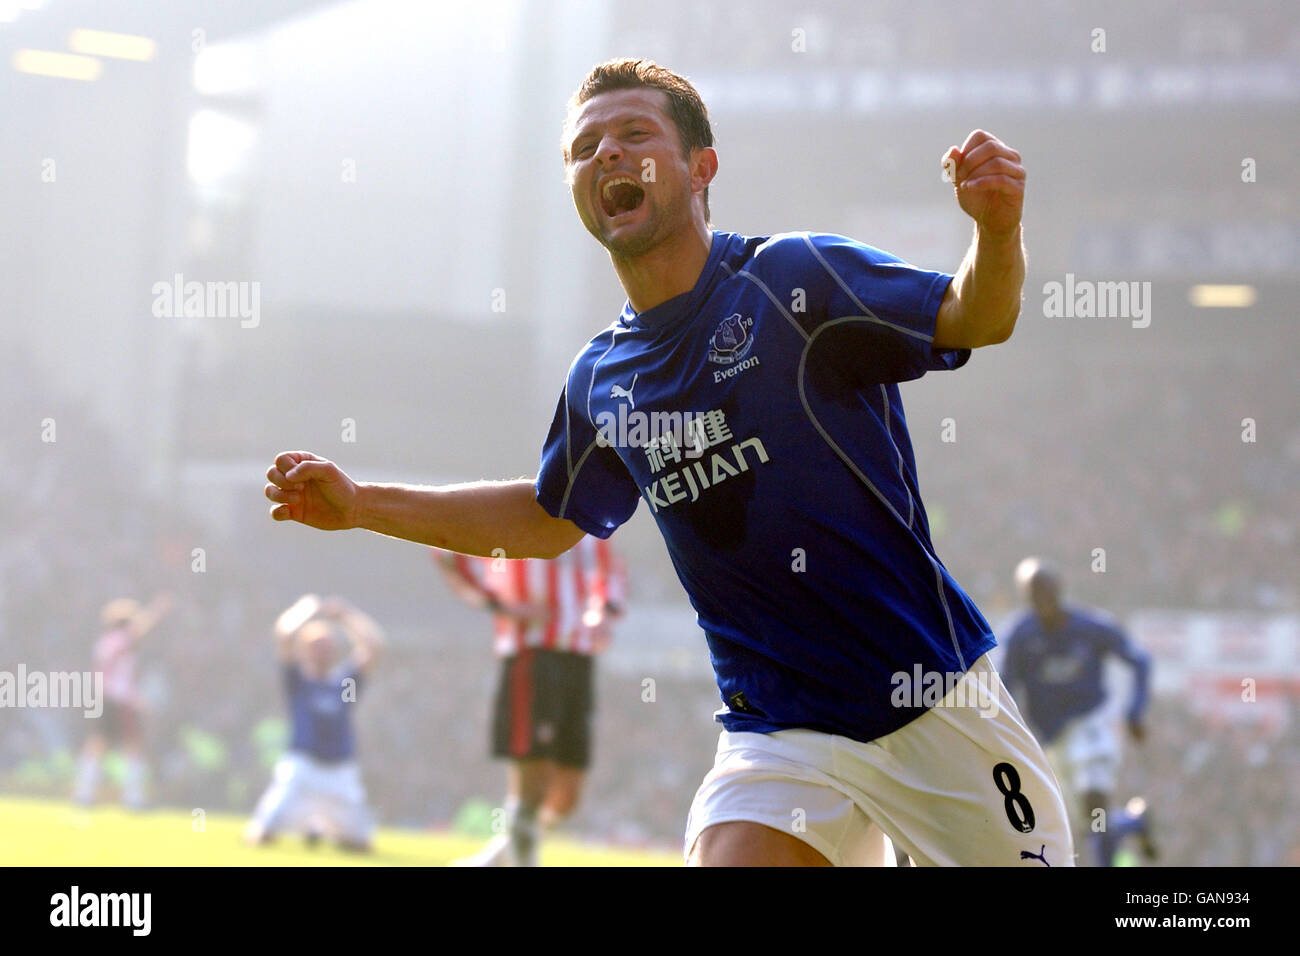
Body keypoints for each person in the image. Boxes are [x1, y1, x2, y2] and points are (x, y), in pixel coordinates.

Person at [265, 58, 1073, 866]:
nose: (607, 154)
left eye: (634, 133)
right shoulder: (602, 377)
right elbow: (548, 518)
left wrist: (997, 230)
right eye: (584, 148)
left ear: (700, 167)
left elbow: (974, 316)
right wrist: (361, 504)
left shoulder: (793, 279)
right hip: (780, 731)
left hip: (931, 699)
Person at [435, 536, 626, 866]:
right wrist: (498, 604)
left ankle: (499, 856)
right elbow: (448, 551)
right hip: (532, 653)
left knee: (567, 795)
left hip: (579, 658)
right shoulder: (510, 517)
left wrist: (605, 612)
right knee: (533, 781)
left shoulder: (591, 522)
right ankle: (520, 859)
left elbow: (612, 571)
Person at [1000, 557, 1157, 865]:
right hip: (1052, 737)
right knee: (1091, 825)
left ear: (1060, 587)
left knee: (1093, 806)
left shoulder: (1091, 627)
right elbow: (1004, 686)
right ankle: (1133, 822)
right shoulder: (1019, 636)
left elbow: (1140, 660)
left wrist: (1135, 712)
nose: (1042, 597)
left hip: (1092, 722)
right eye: (1034, 591)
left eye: (1046, 588)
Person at [244, 594, 384, 851]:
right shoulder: (298, 681)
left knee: (360, 844)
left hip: (340, 770)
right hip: (302, 767)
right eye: (317, 645)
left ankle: (320, 826)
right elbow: (284, 634)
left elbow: (374, 647)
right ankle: (312, 824)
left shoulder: (345, 683)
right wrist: (306, 609)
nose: (323, 651)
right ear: (305, 650)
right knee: (262, 834)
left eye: (328, 646)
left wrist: (346, 617)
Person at [74, 593, 172, 808]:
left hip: (105, 697)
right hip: (120, 701)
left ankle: (84, 793)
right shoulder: (120, 639)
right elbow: (139, 631)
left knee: (97, 745)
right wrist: (157, 610)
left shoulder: (104, 641)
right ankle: (133, 798)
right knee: (133, 747)